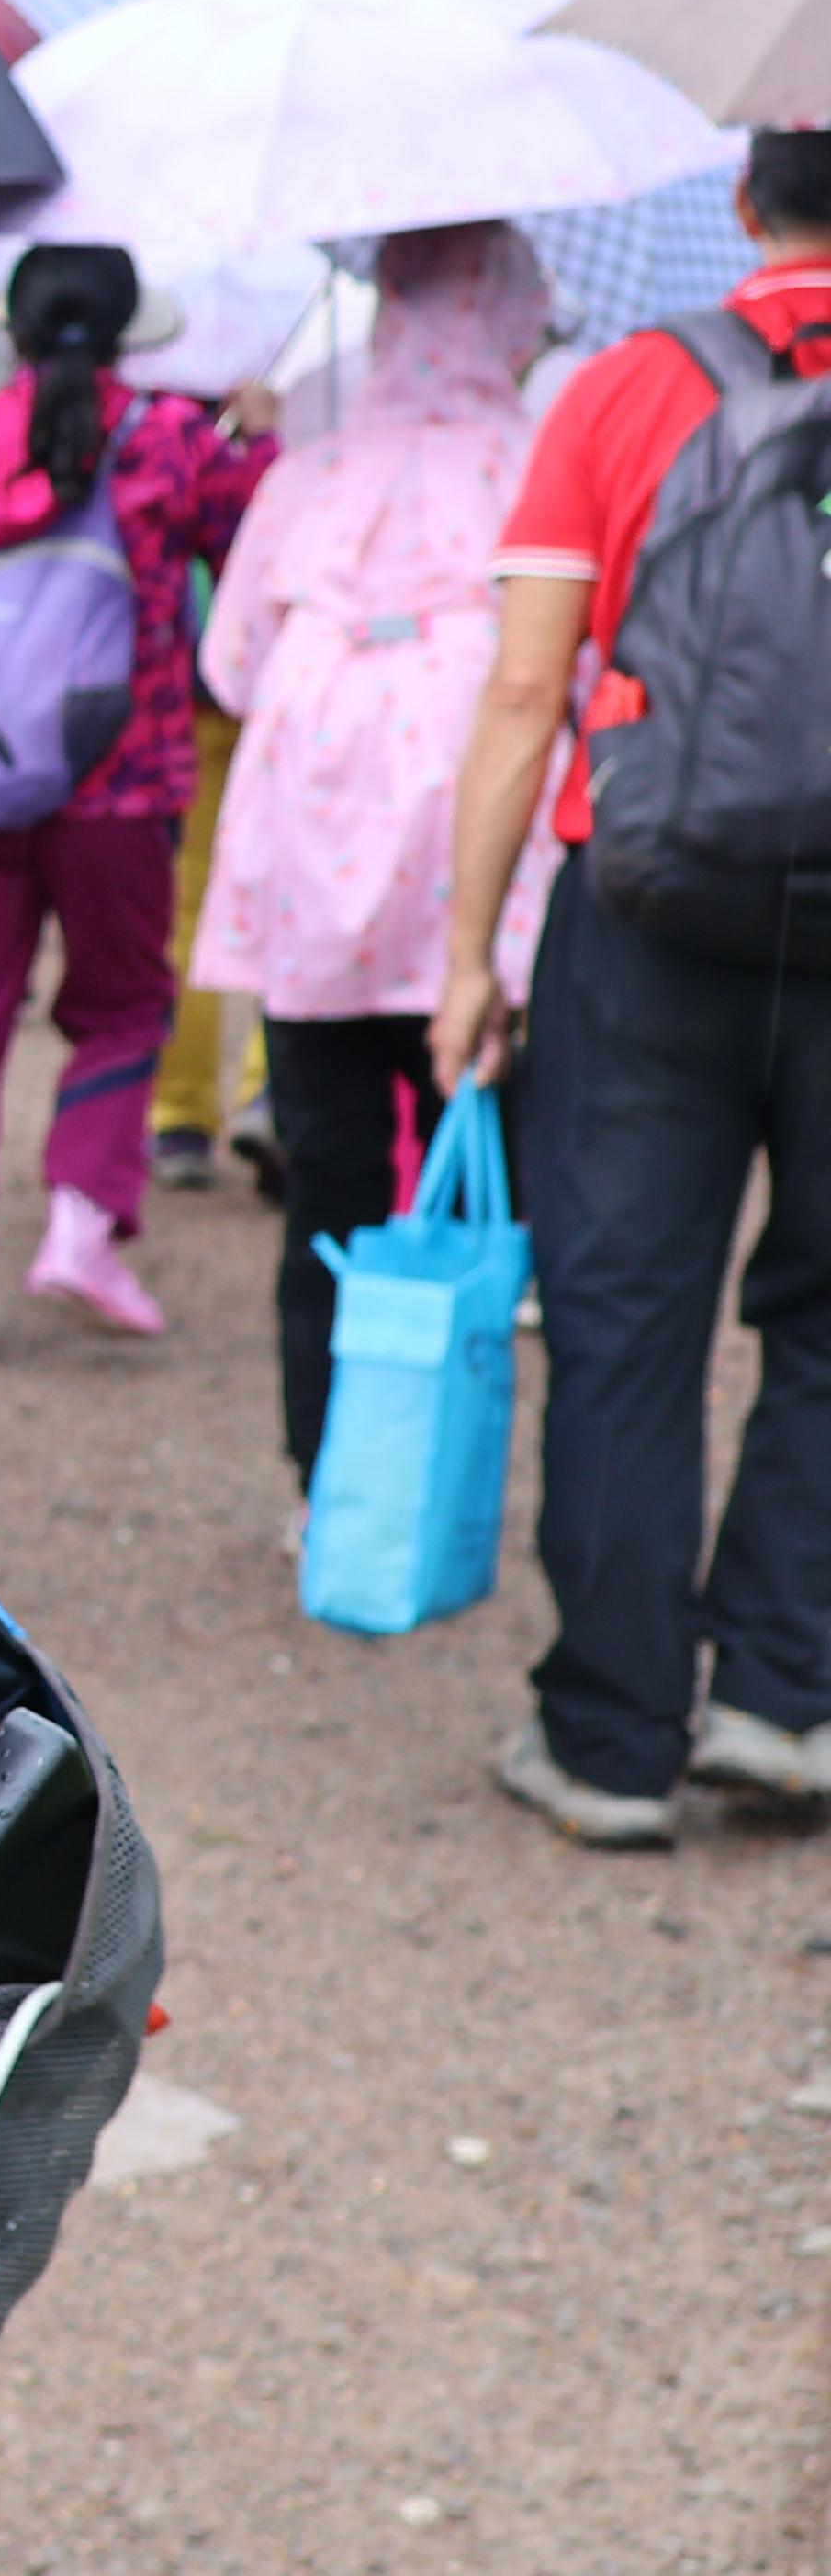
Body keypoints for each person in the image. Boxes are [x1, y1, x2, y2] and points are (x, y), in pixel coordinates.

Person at [436, 128, 831, 1847]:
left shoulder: (622, 392)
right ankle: (783, 1697)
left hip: (646, 909)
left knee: (623, 1320)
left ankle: (608, 1738)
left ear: (746, 206)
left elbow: (527, 693)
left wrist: (466, 954)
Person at [189, 223, 558, 1515]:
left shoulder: (313, 467)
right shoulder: (533, 461)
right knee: (488, 1174)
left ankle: (322, 1475)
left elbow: (227, 666)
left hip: (311, 869)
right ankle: (451, 1464)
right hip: (483, 872)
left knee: (329, 1181)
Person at [0, 244, 273, 1362]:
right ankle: (82, 1220)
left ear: (11, 329)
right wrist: (261, 430)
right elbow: (253, 530)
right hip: (121, 774)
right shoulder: (165, 440)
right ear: (125, 332)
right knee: (122, 1002)